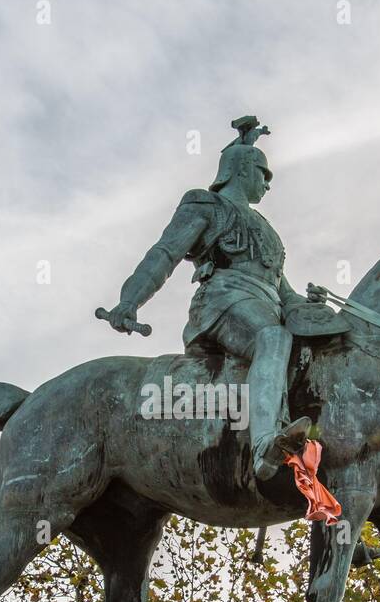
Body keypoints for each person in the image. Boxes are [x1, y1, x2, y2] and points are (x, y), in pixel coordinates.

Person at [102, 116, 325, 480]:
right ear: (239, 169)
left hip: (265, 307)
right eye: (262, 172)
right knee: (273, 337)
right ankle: (266, 443)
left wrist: (309, 306)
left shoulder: (267, 229)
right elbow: (164, 253)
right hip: (222, 301)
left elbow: (283, 290)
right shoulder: (205, 204)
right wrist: (130, 300)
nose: (268, 182)